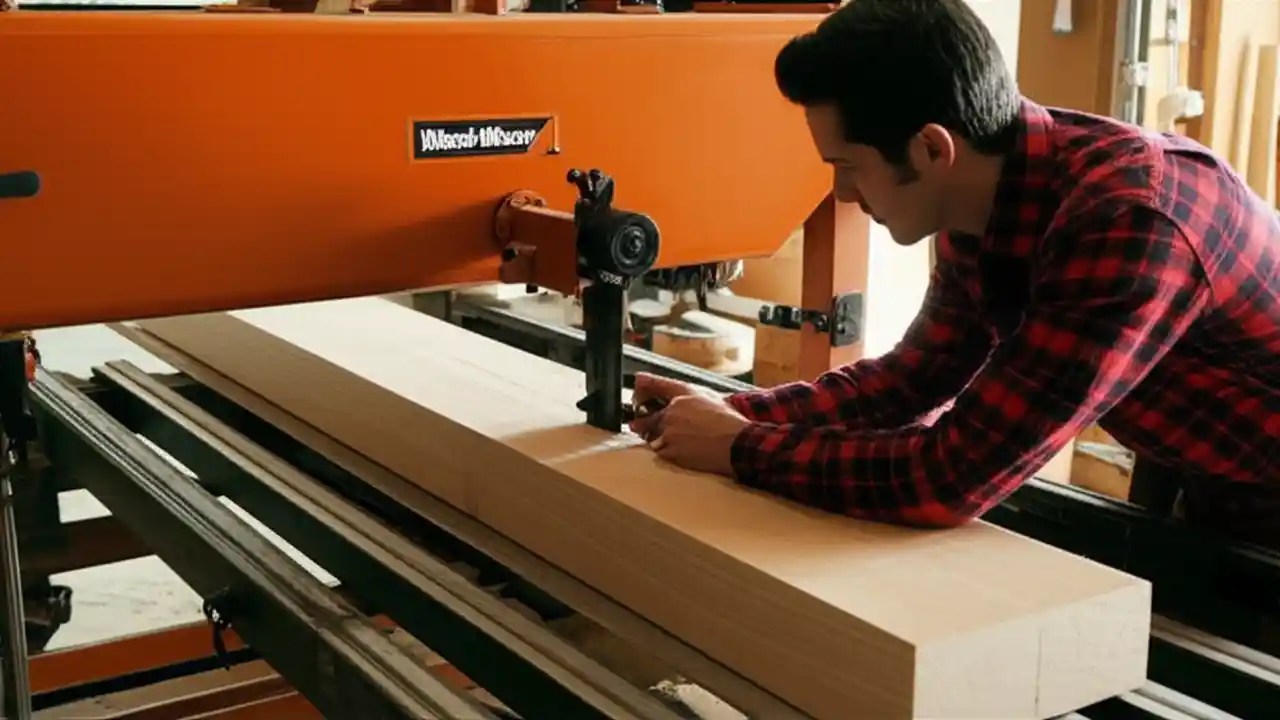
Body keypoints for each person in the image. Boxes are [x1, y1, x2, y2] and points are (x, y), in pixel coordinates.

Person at [628, 0, 1280, 550]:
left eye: (849, 164)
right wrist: (729, 412)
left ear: (934, 148)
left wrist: (743, 449)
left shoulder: (1126, 222)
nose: (843, 192)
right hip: (1201, 452)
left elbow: (949, 480)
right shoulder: (985, 198)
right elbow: (912, 379)